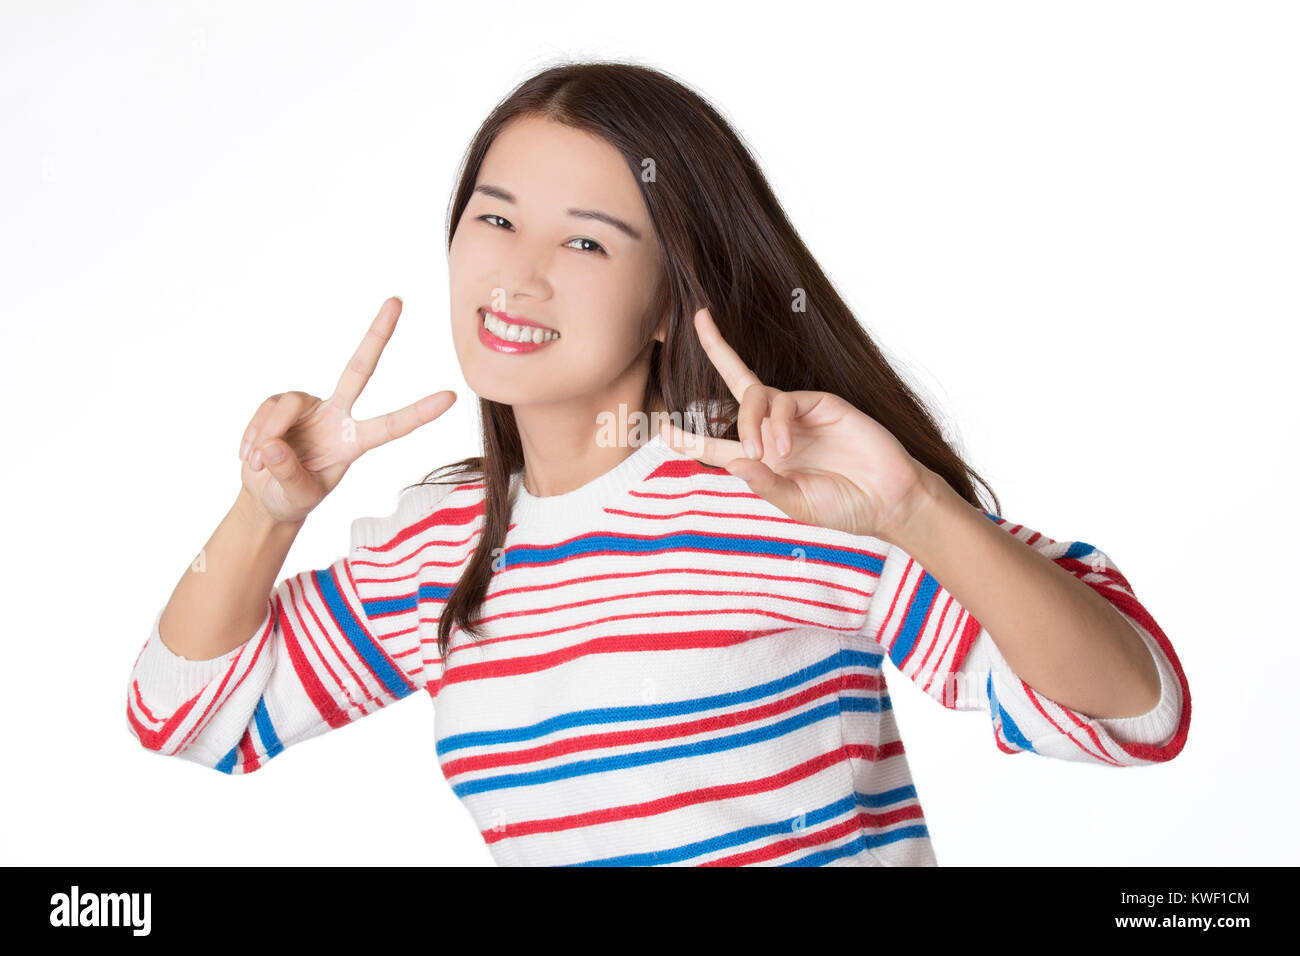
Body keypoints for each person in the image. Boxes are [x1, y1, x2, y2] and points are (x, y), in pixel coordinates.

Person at [125, 61, 1191, 866]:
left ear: (669, 298)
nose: (518, 274)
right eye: (494, 219)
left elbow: (1130, 713)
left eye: (585, 242)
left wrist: (913, 511)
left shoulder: (780, 498)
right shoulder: (438, 548)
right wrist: (265, 510)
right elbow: (188, 711)